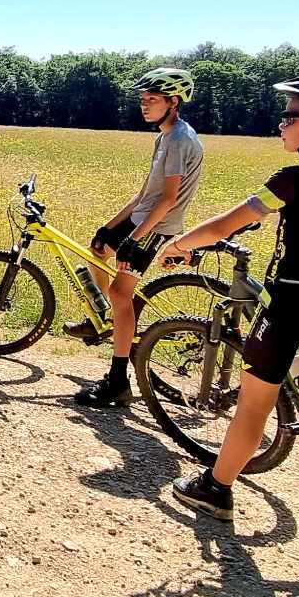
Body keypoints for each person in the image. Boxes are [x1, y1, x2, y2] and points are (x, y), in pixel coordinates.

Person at [155, 70, 299, 520]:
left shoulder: (293, 179)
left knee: (253, 406)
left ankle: (215, 488)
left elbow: (227, 223)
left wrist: (180, 244)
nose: (282, 124)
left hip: (292, 305)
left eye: (291, 117)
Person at [71, 67, 205, 408]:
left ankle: (118, 381)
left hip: (158, 225)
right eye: (143, 99)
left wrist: (136, 237)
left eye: (152, 100)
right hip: (142, 216)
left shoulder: (179, 140)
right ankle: (106, 319)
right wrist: (110, 226)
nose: (144, 105)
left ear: (173, 102)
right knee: (96, 250)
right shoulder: (164, 135)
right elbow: (147, 191)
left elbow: (169, 199)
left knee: (120, 292)